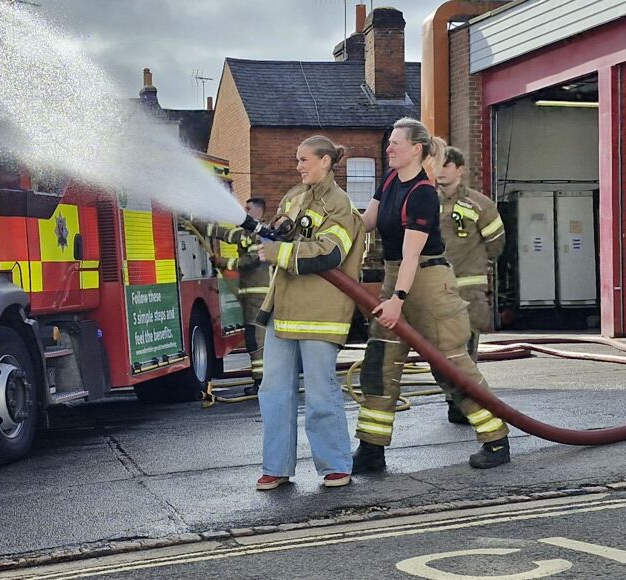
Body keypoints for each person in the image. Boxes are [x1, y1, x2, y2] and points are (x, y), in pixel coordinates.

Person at [354, 117, 510, 474]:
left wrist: (397, 300)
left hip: (427, 281)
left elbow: (412, 254)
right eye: (389, 142)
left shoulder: (422, 193)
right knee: (380, 362)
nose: (389, 147)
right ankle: (371, 449)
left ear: (416, 149)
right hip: (396, 275)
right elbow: (365, 223)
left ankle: (495, 438)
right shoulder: (390, 180)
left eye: (396, 142)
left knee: (450, 363)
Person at [253, 135, 366, 490]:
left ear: (325, 161)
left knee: (320, 392)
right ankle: (276, 467)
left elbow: (330, 254)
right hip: (283, 309)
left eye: (304, 159)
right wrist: (269, 239)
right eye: (297, 159)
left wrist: (278, 253)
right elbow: (282, 234)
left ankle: (334, 465)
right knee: (273, 391)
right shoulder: (293, 197)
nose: (298, 166)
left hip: (321, 312)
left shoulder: (339, 204)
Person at [436, 146, 506, 424]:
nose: (440, 171)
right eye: (437, 165)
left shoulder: (479, 204)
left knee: (464, 350)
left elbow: (496, 243)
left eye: (446, 165)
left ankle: (462, 404)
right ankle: (454, 398)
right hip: (435, 288)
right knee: (437, 349)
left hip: (468, 289)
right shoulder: (426, 202)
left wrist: (477, 265)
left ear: (460, 170)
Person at [208, 197, 271, 396]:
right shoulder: (246, 233)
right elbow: (225, 234)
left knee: (257, 340)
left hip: (258, 295)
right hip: (250, 295)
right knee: (253, 339)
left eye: (248, 209)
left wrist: (223, 262)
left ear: (258, 212)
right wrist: (197, 223)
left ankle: (262, 384)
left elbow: (251, 260)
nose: (244, 211)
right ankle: (261, 382)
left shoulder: (260, 235)